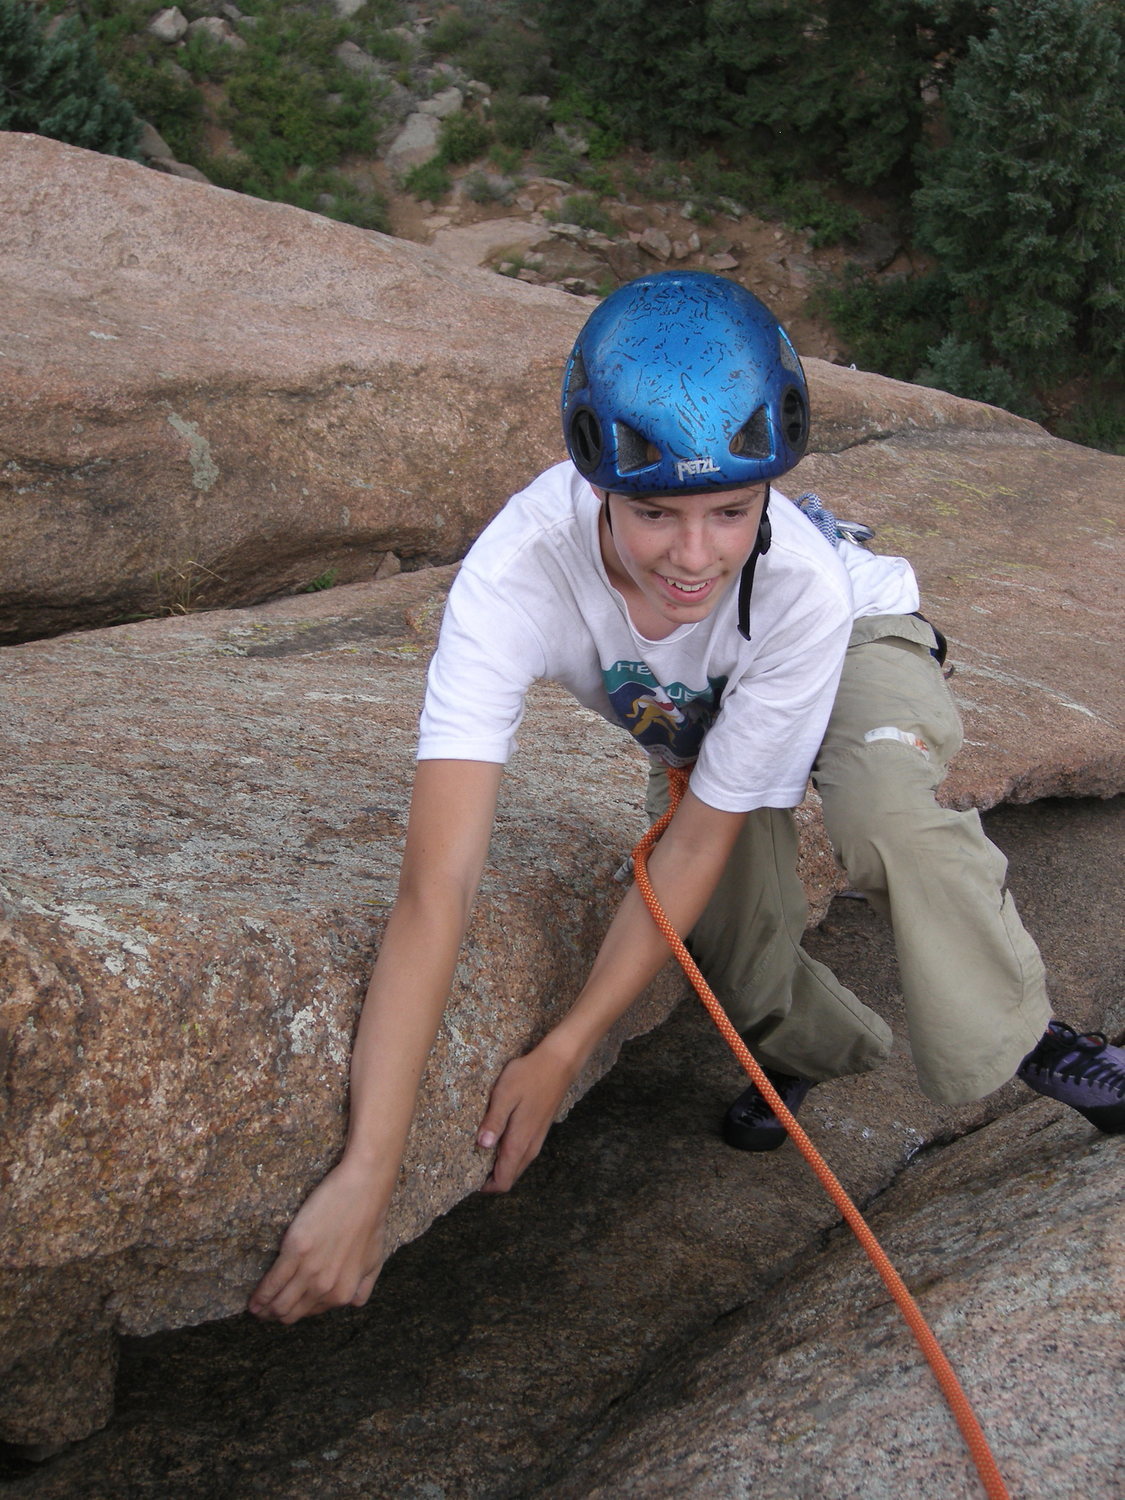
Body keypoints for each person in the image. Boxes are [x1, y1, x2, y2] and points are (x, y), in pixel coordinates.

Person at [249, 271, 1124, 1325]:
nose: (695, 555)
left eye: (731, 509)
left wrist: (566, 1051)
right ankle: (810, 1050)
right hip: (710, 701)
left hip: (846, 643)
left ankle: (1034, 1040)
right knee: (726, 926)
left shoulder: (793, 574)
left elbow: (706, 808)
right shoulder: (515, 575)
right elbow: (439, 888)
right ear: (595, 485)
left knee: (884, 803)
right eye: (654, 512)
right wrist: (368, 1168)